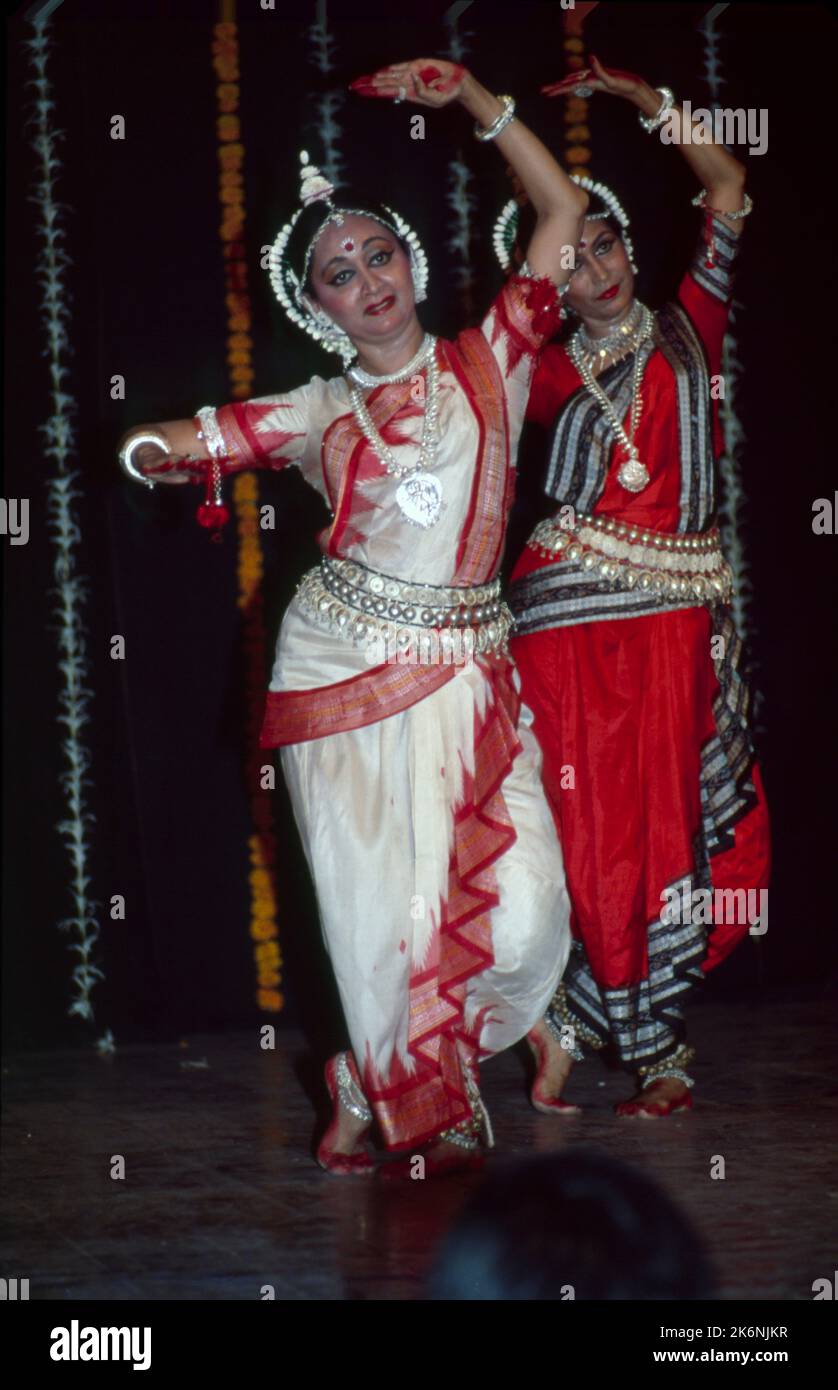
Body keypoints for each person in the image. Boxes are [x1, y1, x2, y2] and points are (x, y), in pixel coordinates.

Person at [116, 58, 588, 1175]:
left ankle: (372, 1069)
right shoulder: (315, 409)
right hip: (348, 669)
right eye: (338, 272)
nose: (366, 279)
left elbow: (562, 209)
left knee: (520, 917)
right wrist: (150, 454)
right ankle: (407, 1087)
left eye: (377, 255)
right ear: (315, 305)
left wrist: (472, 96)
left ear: (409, 262)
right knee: (388, 922)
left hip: (473, 670)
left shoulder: (496, 355)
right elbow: (191, 440)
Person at [498, 56, 771, 1118]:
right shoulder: (544, 376)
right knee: (582, 836)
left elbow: (729, 187)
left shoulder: (687, 324)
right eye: (567, 262)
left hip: (672, 626)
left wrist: (636, 99)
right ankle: (619, 1039)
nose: (593, 269)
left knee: (665, 829)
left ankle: (616, 1032)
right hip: (561, 628)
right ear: (546, 287)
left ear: (626, 244)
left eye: (600, 243)